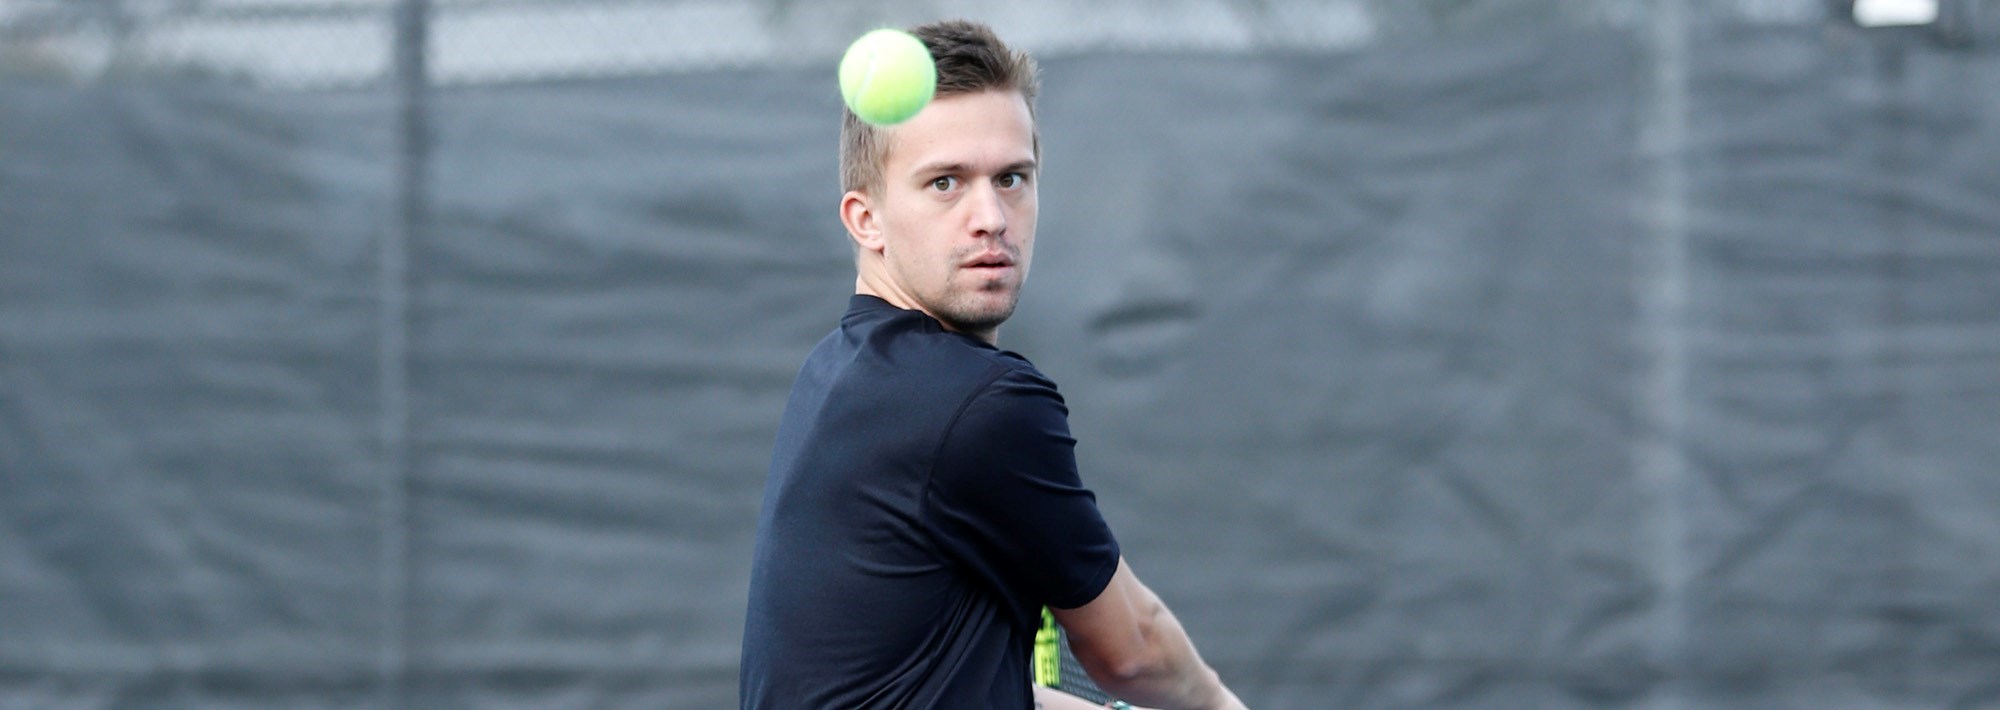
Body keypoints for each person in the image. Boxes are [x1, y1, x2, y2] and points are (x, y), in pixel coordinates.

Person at [739, 19, 1246, 710]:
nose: (991, 216)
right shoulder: (978, 404)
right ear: (866, 220)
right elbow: (1133, 649)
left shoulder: (842, 376)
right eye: (945, 183)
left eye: (1011, 178)